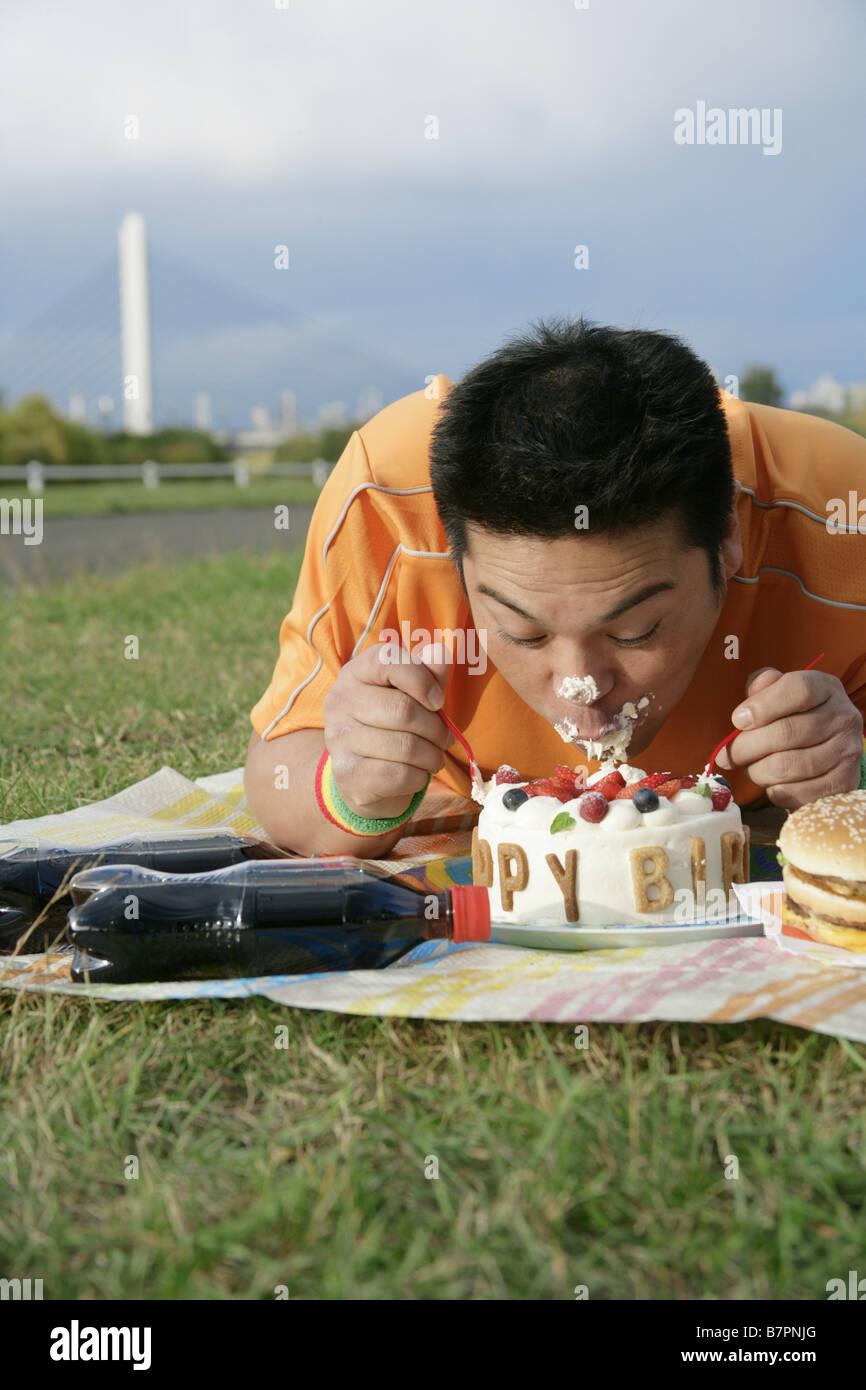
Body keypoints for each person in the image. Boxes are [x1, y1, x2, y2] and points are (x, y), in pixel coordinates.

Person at [244, 317, 866, 857]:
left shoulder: (842, 507)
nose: (583, 690)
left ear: (728, 534)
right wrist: (348, 790)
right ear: (452, 551)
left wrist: (853, 777)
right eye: (522, 631)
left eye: (635, 630)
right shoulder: (385, 501)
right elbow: (278, 764)